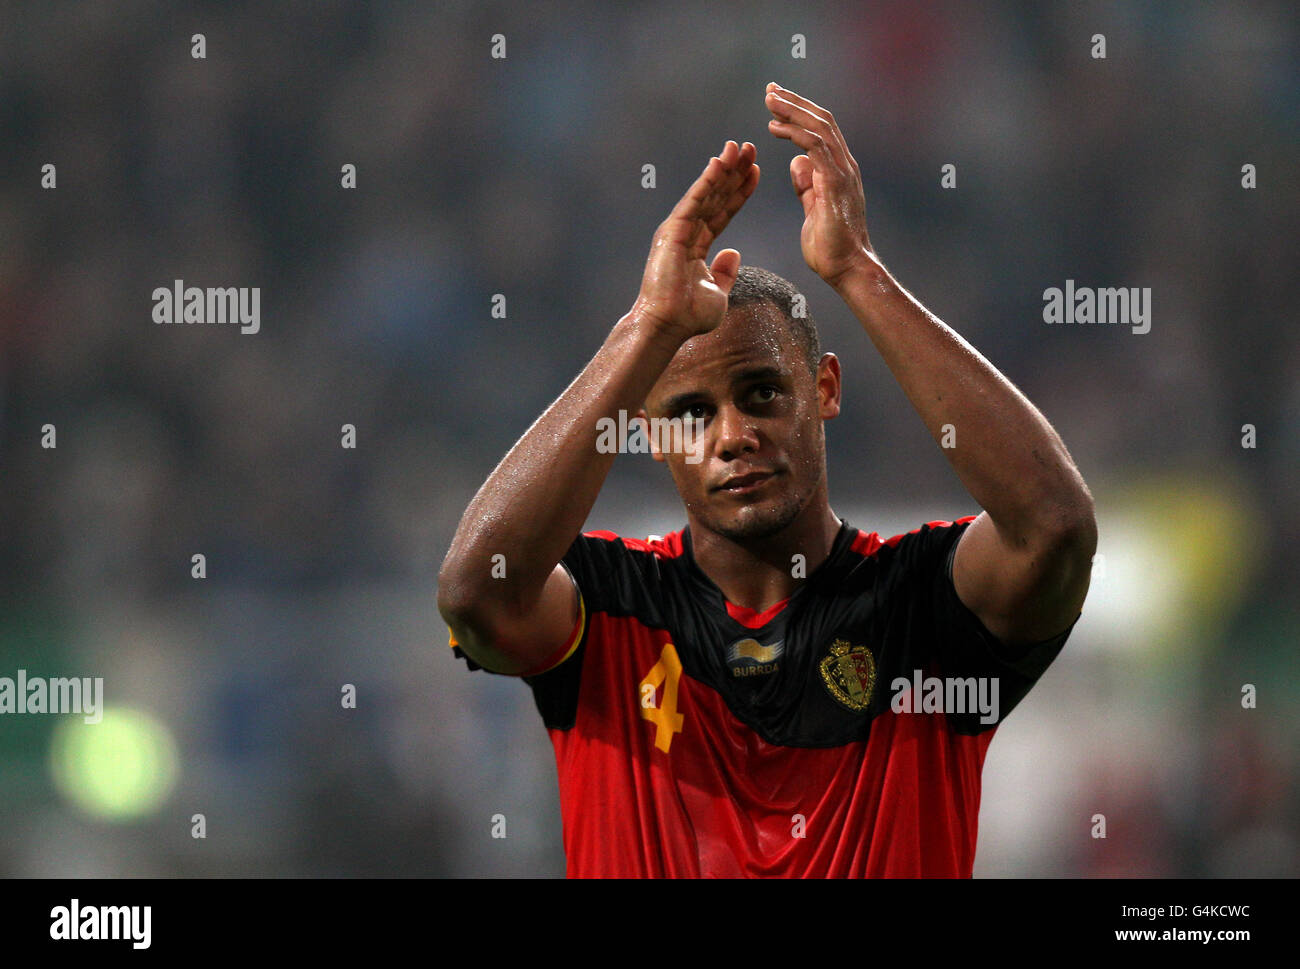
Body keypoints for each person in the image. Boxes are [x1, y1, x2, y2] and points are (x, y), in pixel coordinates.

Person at [437, 83, 1097, 877]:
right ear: (647, 435)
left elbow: (1054, 527)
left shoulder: (923, 610)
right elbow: (477, 593)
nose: (733, 435)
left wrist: (857, 271)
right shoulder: (611, 606)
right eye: (689, 412)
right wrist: (646, 326)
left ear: (822, 389)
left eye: (761, 394)